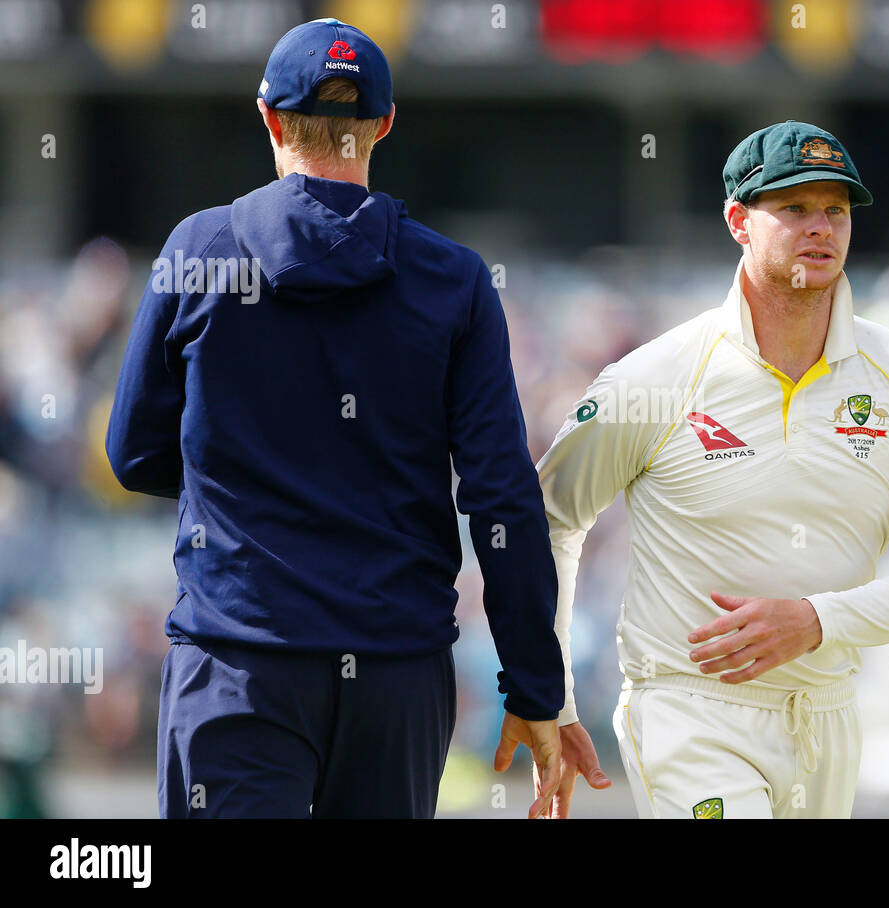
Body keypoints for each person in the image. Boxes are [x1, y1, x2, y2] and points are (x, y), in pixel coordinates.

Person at [106, 18, 564, 819]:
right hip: (395, 671)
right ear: (383, 125)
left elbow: (133, 453)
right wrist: (533, 685)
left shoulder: (198, 250)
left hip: (239, 662)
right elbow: (500, 497)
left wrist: (248, 479)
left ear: (269, 118)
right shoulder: (453, 279)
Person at [536, 121, 889, 819]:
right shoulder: (655, 375)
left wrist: (815, 621)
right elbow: (550, 520)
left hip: (827, 714)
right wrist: (548, 698)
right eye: (795, 208)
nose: (820, 228)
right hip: (688, 706)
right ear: (738, 221)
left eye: (835, 209)